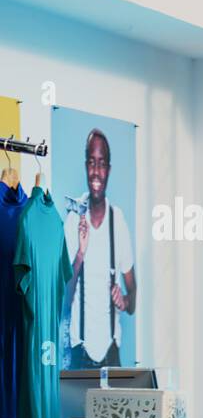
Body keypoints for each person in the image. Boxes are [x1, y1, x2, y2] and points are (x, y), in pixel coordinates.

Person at [64, 128, 135, 369]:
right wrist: (80, 253)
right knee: (75, 409)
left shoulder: (119, 221)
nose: (96, 171)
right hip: (79, 350)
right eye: (92, 163)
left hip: (111, 353)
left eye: (102, 164)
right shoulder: (74, 218)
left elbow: (133, 297)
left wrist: (124, 301)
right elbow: (65, 295)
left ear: (109, 170)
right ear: (86, 166)